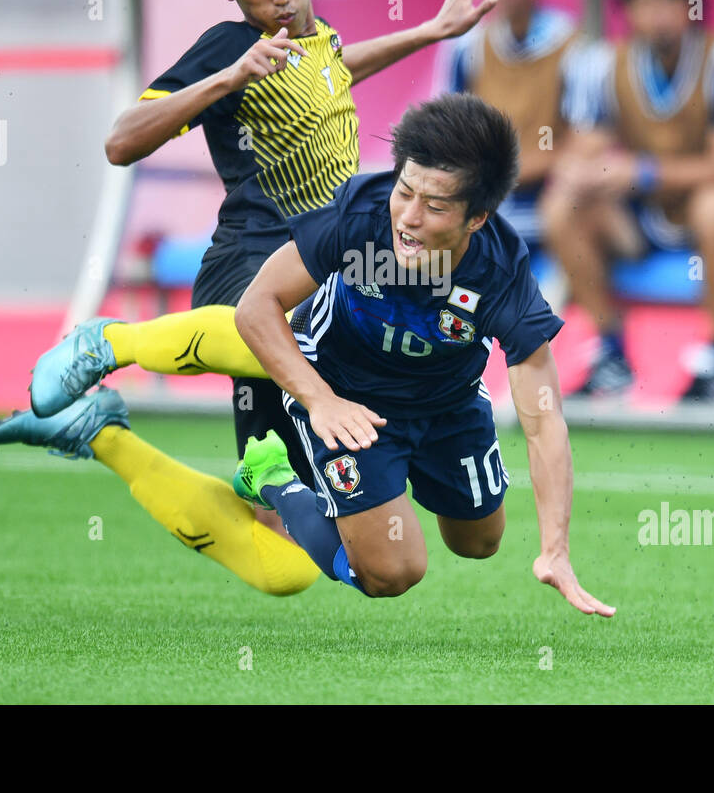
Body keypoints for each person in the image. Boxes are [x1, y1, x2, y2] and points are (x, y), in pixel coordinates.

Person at [0, 0, 499, 597]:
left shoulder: (314, 43)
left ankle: (98, 433)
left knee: (282, 565)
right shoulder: (229, 46)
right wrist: (225, 79)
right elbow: (121, 142)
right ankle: (110, 343)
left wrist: (429, 32)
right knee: (296, 326)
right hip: (253, 267)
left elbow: (330, 73)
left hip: (322, 272)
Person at [231, 93, 614, 615]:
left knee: (478, 542)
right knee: (391, 573)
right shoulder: (360, 213)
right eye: (404, 191)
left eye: (434, 206)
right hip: (347, 393)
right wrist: (320, 400)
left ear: (477, 217)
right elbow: (255, 307)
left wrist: (555, 550)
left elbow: (544, 422)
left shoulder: (500, 273)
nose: (408, 217)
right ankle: (274, 477)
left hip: (448, 401)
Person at [540, 0, 714, 402]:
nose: (656, 15)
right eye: (644, 3)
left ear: (693, 7)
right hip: (652, 215)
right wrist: (583, 172)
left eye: (668, 2)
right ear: (628, 11)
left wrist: (641, 170)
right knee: (562, 205)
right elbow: (583, 144)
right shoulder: (603, 63)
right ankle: (610, 353)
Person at [437, 0, 593, 250]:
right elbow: (445, 132)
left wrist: (496, 174)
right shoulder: (464, 45)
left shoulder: (576, 47)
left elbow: (584, 144)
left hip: (553, 207)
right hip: (482, 208)